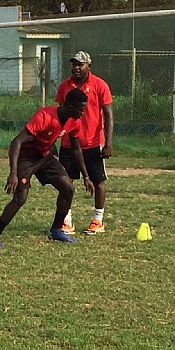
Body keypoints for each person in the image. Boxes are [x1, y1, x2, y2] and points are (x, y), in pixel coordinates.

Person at [0, 89, 94, 248]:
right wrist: (13, 173)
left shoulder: (74, 121)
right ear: (70, 107)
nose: (83, 113)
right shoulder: (45, 116)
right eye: (81, 109)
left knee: (68, 188)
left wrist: (86, 176)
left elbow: (76, 149)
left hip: (44, 156)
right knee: (20, 198)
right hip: (25, 157)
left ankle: (56, 230)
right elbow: (16, 142)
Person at [55, 51, 114, 235]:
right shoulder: (65, 86)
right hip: (68, 143)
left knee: (98, 181)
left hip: (92, 143)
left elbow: (108, 115)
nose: (76, 68)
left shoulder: (99, 85)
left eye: (80, 64)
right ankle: (66, 221)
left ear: (89, 66)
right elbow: (60, 113)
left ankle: (97, 220)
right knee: (66, 182)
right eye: (74, 64)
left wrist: (108, 143)